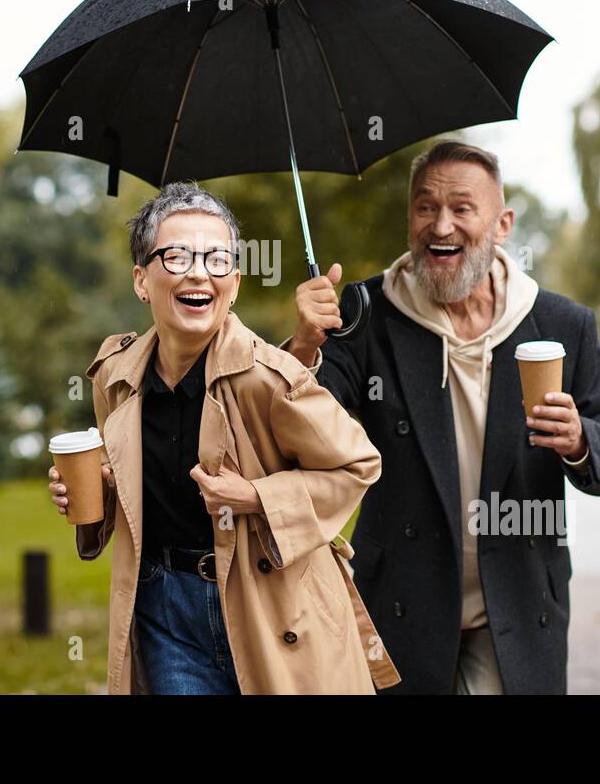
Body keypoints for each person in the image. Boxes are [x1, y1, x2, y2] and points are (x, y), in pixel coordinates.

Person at [284, 140, 600, 694]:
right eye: (425, 207)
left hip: (519, 607)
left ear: (502, 224)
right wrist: (306, 344)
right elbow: (299, 433)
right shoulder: (362, 313)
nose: (441, 225)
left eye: (461, 208)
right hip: (402, 604)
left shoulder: (559, 323)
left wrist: (580, 439)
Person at [48, 181, 400, 695]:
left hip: (273, 603)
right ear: (141, 280)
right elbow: (135, 490)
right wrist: (97, 492)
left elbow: (358, 464)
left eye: (216, 259)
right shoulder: (114, 375)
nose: (197, 271)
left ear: (233, 283)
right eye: (176, 256)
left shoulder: (270, 378)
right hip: (164, 608)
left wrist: (258, 496)